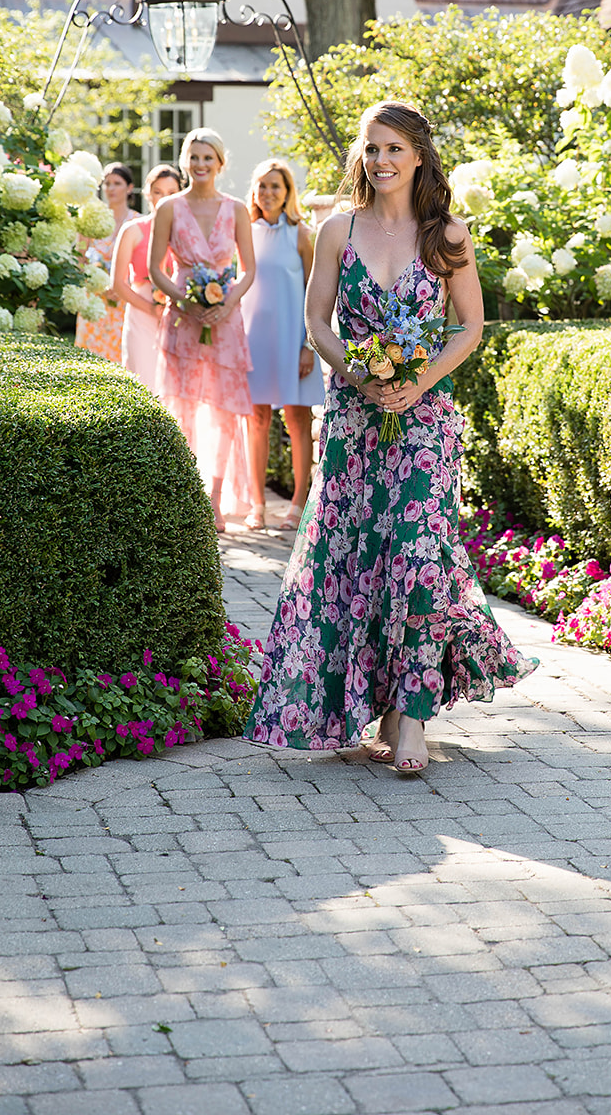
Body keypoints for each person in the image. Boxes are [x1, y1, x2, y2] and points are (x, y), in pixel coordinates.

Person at [244, 101, 537, 774]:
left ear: (418, 157)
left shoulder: (446, 235)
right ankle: (370, 710)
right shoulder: (335, 229)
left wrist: (418, 380)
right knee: (355, 559)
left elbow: (469, 326)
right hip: (352, 417)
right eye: (371, 149)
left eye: (393, 150)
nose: (380, 161)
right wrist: (356, 371)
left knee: (416, 554)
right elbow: (318, 321)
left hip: (424, 421)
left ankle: (412, 719)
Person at [150, 128, 255, 532]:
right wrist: (185, 300)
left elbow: (248, 269)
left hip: (226, 323)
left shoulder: (236, 209)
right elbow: (155, 268)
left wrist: (227, 302)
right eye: (193, 158)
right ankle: (185, 494)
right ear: (184, 162)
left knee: (225, 413)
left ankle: (214, 498)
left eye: (207, 158)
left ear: (220, 163)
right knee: (183, 410)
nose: (200, 165)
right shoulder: (169, 209)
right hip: (182, 320)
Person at [242, 160, 324, 534]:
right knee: (256, 421)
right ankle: (256, 504)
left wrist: (309, 345)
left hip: (294, 340)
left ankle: (298, 504)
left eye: (276, 186)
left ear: (288, 191)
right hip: (253, 340)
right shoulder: (244, 231)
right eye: (262, 186)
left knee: (297, 421)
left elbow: (317, 294)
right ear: (254, 190)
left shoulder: (302, 235)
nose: (268, 193)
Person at [110, 163, 183, 391]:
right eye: (158, 192)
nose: (163, 199)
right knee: (144, 382)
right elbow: (118, 283)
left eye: (171, 193)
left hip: (179, 315)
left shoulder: (186, 232)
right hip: (141, 313)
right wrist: (151, 309)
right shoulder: (132, 230)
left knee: (175, 386)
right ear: (148, 193)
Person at [74, 162, 141, 363]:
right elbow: (79, 258)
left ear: (129, 187)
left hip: (124, 299)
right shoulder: (92, 217)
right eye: (107, 184)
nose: (111, 188)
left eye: (117, 183)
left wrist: (121, 286)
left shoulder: (138, 221)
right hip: (94, 298)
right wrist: (96, 283)